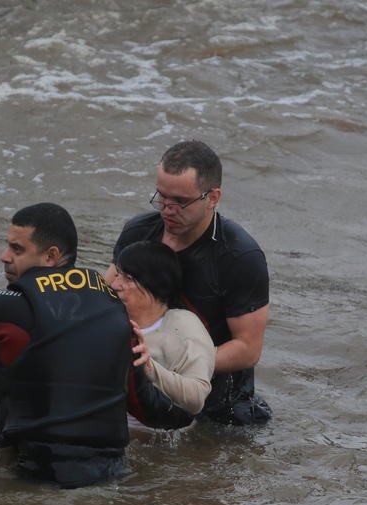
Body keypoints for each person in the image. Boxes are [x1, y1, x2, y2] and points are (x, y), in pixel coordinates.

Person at [0, 202, 132, 488]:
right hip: (112, 474)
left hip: (36, 475)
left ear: (51, 255)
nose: (3, 256)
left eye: (17, 249)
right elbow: (148, 406)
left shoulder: (7, 306)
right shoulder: (114, 305)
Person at [107, 140, 272, 425]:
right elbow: (106, 297)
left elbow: (248, 349)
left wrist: (168, 363)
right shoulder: (138, 232)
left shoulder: (240, 256)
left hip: (220, 406)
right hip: (145, 387)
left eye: (181, 202)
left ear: (212, 197)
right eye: (162, 197)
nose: (168, 210)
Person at [112, 240, 215, 424]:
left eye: (128, 278)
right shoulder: (108, 317)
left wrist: (149, 368)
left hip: (157, 441)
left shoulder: (184, 327)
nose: (115, 284)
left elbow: (197, 398)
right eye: (118, 274)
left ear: (155, 285)